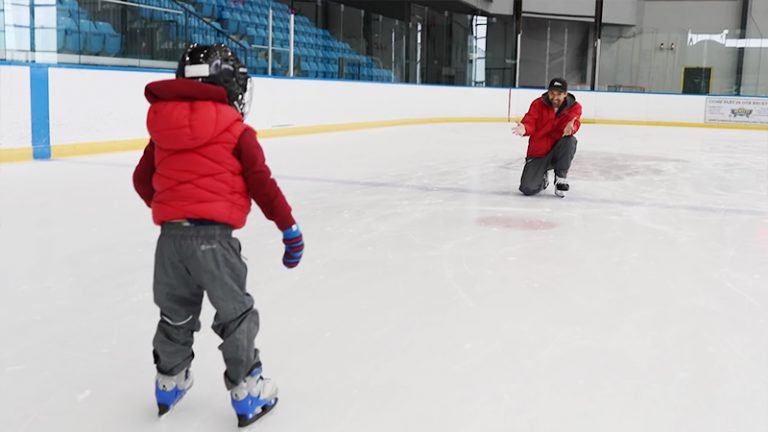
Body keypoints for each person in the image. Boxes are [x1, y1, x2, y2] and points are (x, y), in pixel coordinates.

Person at [132, 44, 304, 428]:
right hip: (216, 241)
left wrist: (174, 208)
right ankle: (247, 389)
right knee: (235, 314)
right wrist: (288, 228)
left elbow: (142, 180)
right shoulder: (236, 129)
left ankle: (169, 380)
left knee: (175, 314)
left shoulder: (163, 128)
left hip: (170, 241)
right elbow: (262, 183)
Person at [512, 77, 582, 197]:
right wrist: (525, 129)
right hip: (539, 152)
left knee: (570, 141)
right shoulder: (538, 104)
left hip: (558, 151)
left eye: (559, 94)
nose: (554, 97)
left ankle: (560, 178)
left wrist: (572, 128)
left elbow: (574, 122)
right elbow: (530, 121)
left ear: (565, 94)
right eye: (552, 93)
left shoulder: (574, 107)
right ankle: (542, 179)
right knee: (527, 188)